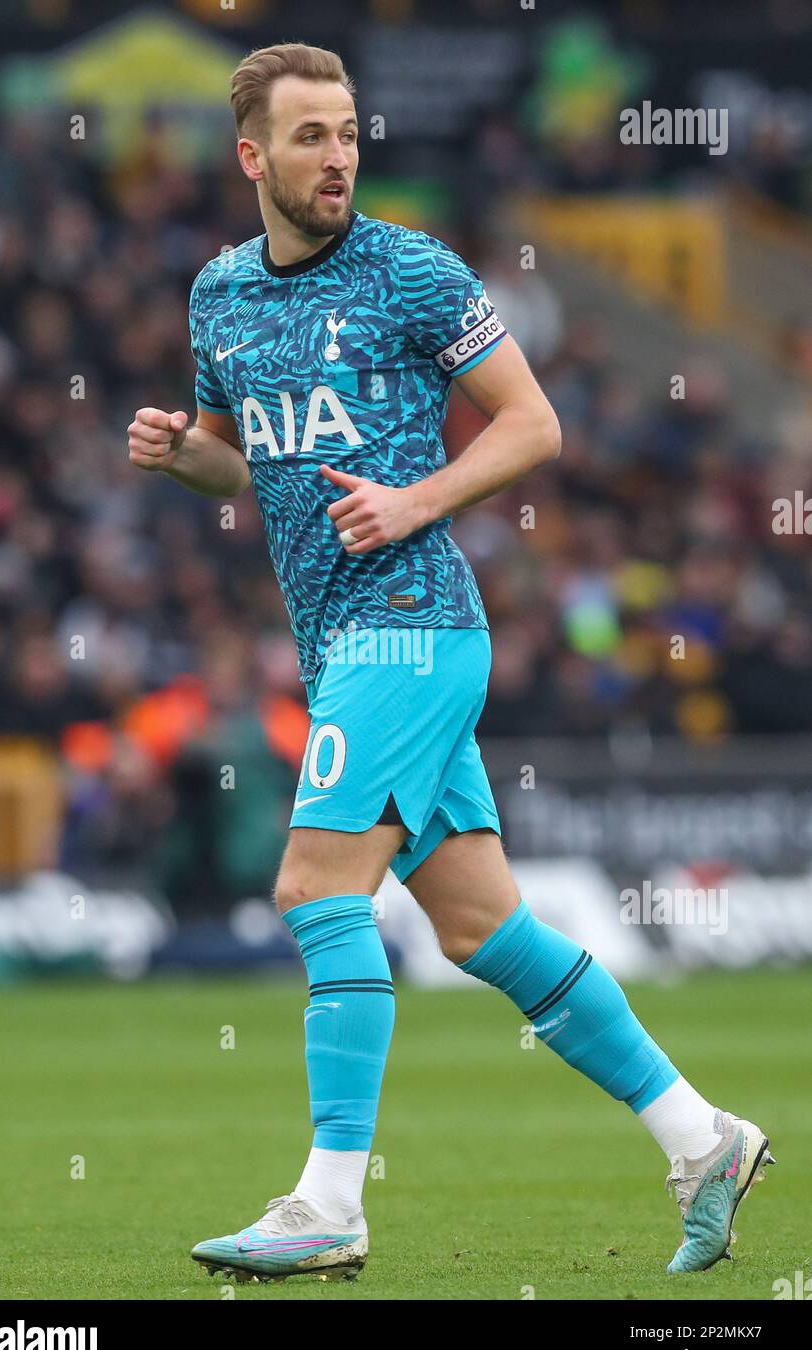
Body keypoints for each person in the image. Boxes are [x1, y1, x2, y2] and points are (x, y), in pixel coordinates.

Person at [127, 42, 773, 1284]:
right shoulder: (218, 295)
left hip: (414, 626)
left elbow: (535, 424)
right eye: (310, 137)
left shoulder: (410, 271)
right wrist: (175, 450)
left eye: (350, 133)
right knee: (483, 929)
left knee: (317, 888)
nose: (339, 158)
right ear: (252, 156)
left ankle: (327, 1204)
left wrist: (416, 497)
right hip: (342, 652)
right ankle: (702, 1138)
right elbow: (233, 455)